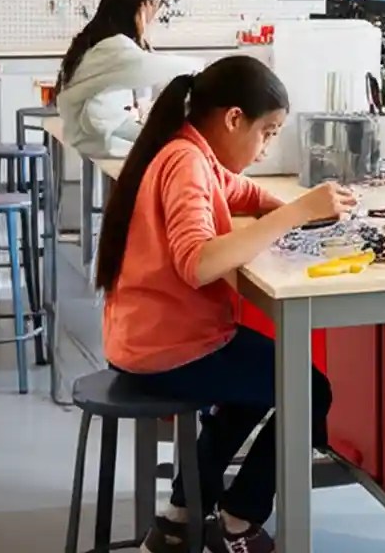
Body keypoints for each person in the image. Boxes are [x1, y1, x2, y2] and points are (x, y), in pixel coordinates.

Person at [96, 55, 356, 553]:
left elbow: (241, 191)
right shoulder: (186, 163)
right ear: (233, 118)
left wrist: (292, 211)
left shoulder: (192, 151)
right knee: (309, 390)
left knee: (253, 383)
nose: (266, 148)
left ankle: (181, 514)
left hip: (149, 336)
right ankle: (239, 520)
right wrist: (298, 212)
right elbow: (198, 263)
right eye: (267, 133)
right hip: (168, 347)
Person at [56, 0, 204, 158]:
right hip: (95, 138)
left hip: (94, 130)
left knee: (169, 140)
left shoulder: (100, 39)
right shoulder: (114, 47)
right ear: (141, 6)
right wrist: (205, 67)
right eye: (153, 6)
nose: (153, 17)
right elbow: (148, 66)